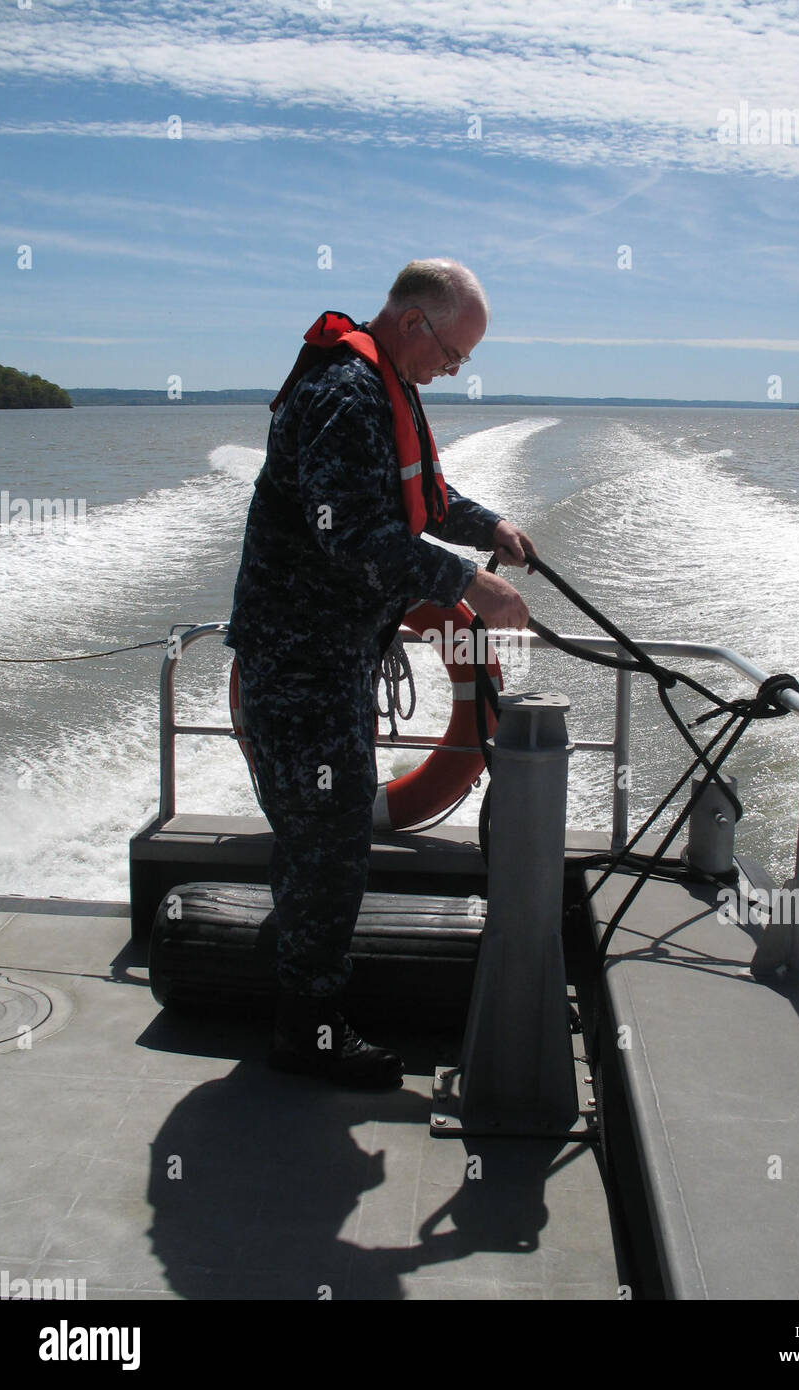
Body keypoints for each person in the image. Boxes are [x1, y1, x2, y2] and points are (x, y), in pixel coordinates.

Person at [225, 258, 534, 1088]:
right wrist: (468, 583)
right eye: (454, 353)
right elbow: (352, 535)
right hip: (299, 663)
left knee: (324, 836)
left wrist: (488, 527)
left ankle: (305, 999)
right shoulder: (344, 395)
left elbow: (417, 498)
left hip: (332, 661)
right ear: (411, 323)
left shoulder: (382, 387)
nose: (454, 370)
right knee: (327, 843)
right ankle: (308, 1032)